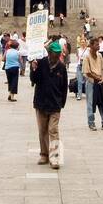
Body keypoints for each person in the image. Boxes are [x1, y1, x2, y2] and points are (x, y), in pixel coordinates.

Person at [30, 39, 68, 168]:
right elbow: (33, 80)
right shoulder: (40, 63)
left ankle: (55, 157)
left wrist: (61, 103)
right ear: (49, 53)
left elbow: (64, 87)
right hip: (41, 102)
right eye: (55, 54)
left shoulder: (62, 67)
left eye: (59, 54)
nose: (57, 56)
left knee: (53, 130)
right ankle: (44, 154)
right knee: (42, 130)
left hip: (55, 104)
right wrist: (33, 69)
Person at [83, 34, 103, 130]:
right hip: (91, 83)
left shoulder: (100, 56)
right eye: (97, 45)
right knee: (91, 103)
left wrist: (102, 77)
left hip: (99, 82)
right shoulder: (87, 57)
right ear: (91, 45)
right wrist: (97, 77)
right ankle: (91, 122)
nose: (98, 46)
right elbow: (87, 72)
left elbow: (102, 69)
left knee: (102, 102)